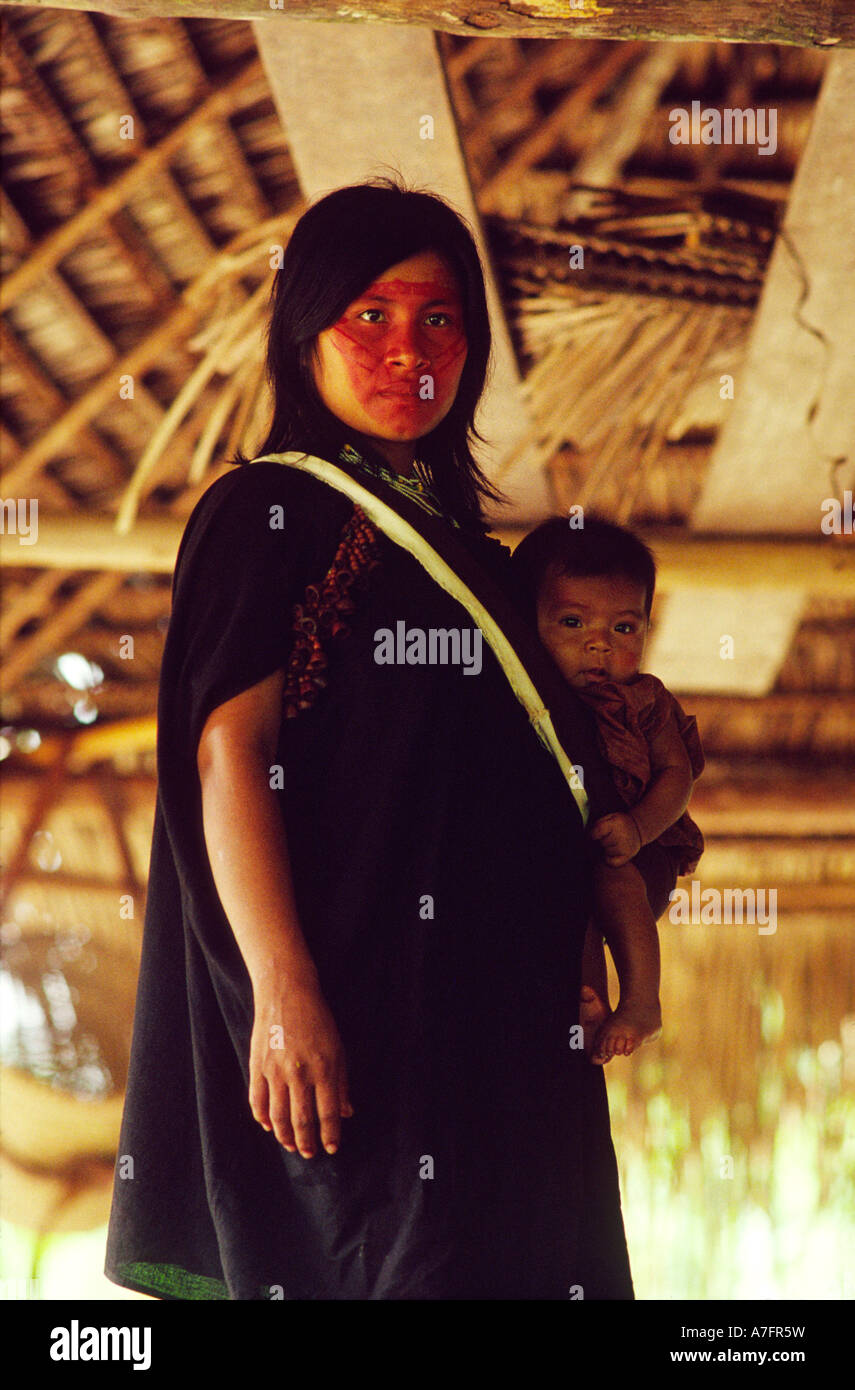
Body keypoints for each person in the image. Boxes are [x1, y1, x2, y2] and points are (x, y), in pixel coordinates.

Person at [105, 180, 635, 1300]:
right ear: (306, 334)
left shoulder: (489, 565)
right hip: (370, 1027)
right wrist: (285, 991)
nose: (409, 351)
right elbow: (226, 756)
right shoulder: (264, 513)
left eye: (440, 319)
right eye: (371, 316)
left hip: (509, 1040)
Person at [510, 515, 705, 1065]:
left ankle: (642, 1002)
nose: (598, 645)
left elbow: (678, 775)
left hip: (644, 853)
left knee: (609, 881)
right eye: (573, 622)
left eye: (623, 628)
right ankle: (586, 1005)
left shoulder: (644, 701)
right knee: (565, 904)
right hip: (586, 856)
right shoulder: (530, 699)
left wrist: (640, 829)